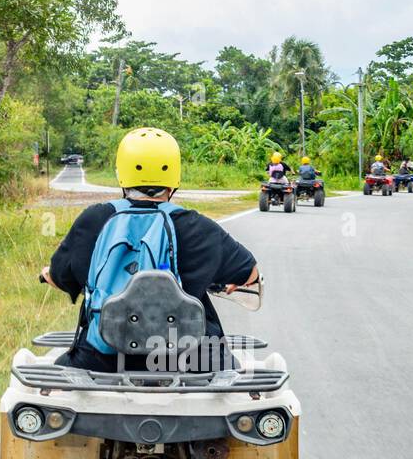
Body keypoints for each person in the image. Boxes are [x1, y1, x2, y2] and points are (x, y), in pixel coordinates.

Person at [41, 127, 259, 372]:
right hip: (191, 361)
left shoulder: (95, 219)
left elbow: (60, 277)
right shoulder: (196, 225)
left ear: (122, 173)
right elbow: (249, 273)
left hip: (103, 360)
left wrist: (48, 274)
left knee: (56, 381)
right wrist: (231, 282)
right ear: (174, 178)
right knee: (236, 375)